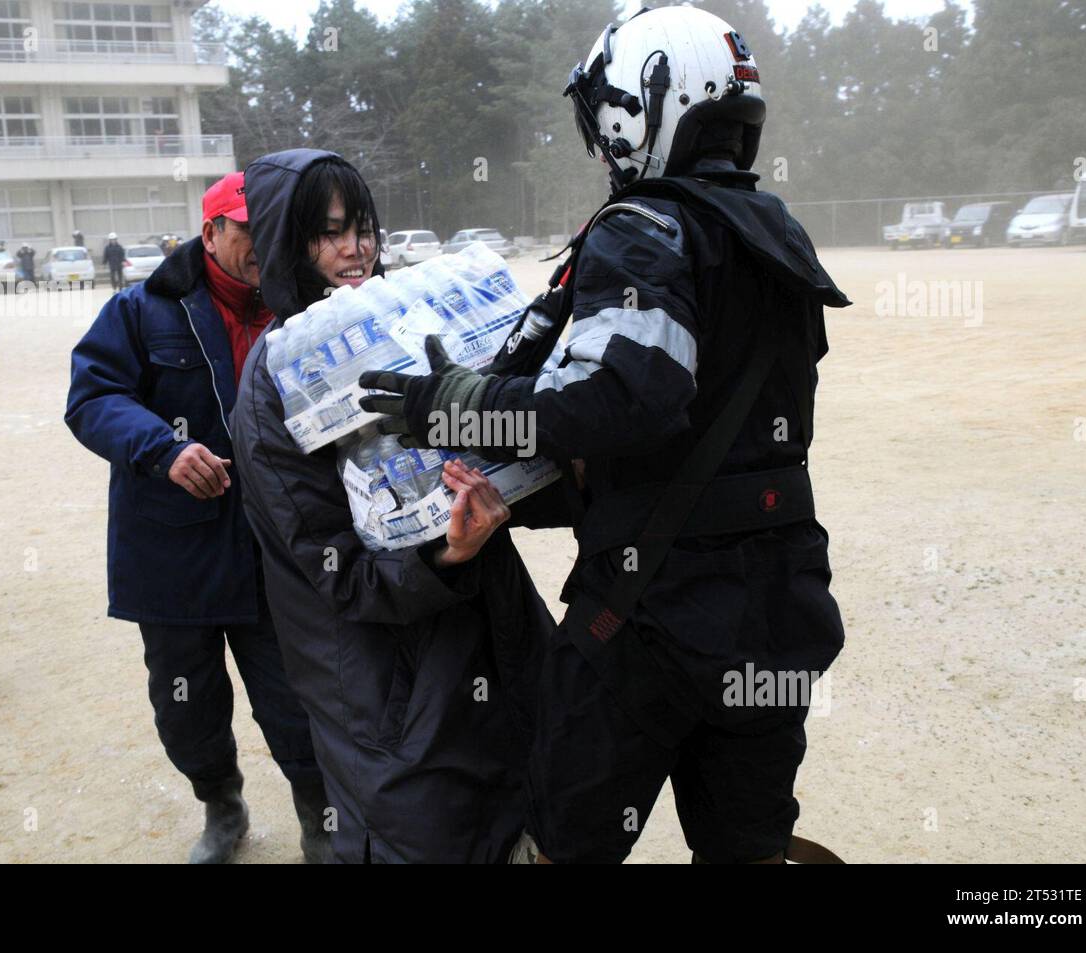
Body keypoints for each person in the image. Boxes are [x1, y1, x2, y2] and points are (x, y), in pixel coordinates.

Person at [359, 6, 850, 864]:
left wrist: (454, 405)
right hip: (780, 601)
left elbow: (625, 395)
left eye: (601, 127)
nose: (598, 152)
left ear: (637, 112)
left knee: (566, 840)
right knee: (749, 842)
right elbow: (700, 427)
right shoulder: (776, 234)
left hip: (653, 610)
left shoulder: (642, 228)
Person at [231, 149, 551, 863]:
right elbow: (329, 567)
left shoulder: (406, 319)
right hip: (388, 686)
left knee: (522, 813)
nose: (355, 248)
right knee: (422, 834)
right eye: (327, 230)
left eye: (363, 226)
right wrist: (445, 556)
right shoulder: (275, 382)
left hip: (493, 632)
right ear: (287, 241)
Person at [65, 173, 330, 864]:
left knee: (297, 698)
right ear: (209, 232)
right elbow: (93, 397)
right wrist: (163, 447)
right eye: (244, 229)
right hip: (172, 551)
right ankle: (222, 802)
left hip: (273, 546)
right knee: (186, 702)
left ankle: (319, 813)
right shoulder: (142, 309)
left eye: (267, 229)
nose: (258, 244)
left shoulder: (301, 307)